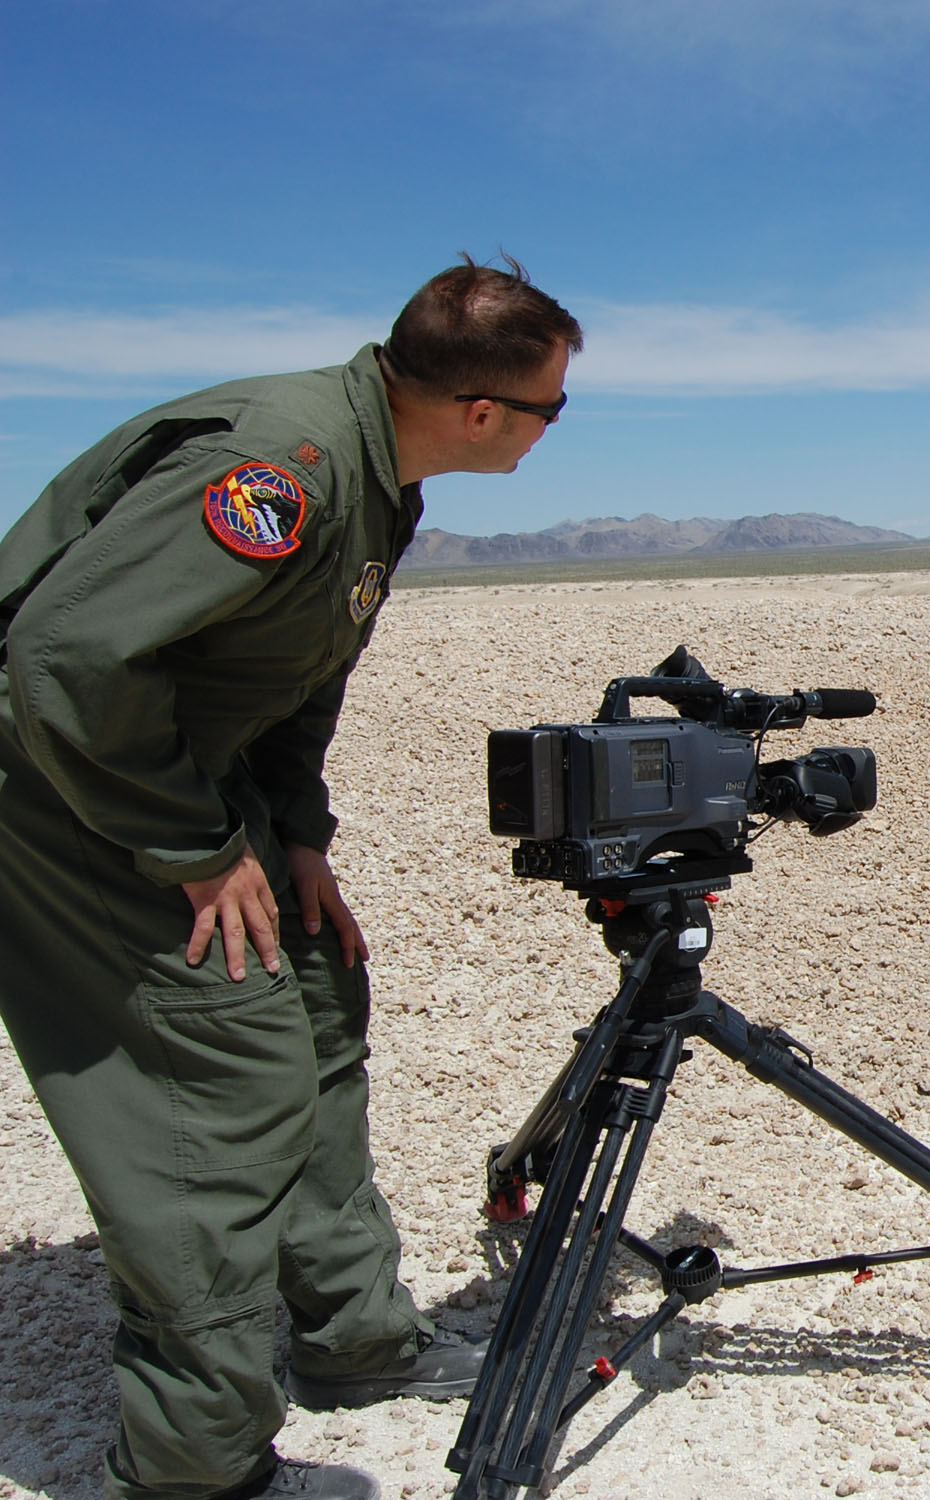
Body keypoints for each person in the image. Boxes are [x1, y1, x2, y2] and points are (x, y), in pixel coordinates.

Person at [0, 257, 582, 1500]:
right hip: (62, 780)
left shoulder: (383, 482)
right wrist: (197, 853)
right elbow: (65, 660)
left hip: (178, 767)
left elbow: (288, 672)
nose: (553, 431)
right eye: (554, 408)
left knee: (316, 990)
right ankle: (193, 1464)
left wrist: (297, 836)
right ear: (484, 411)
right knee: (221, 1063)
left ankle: (353, 1341)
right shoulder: (282, 468)